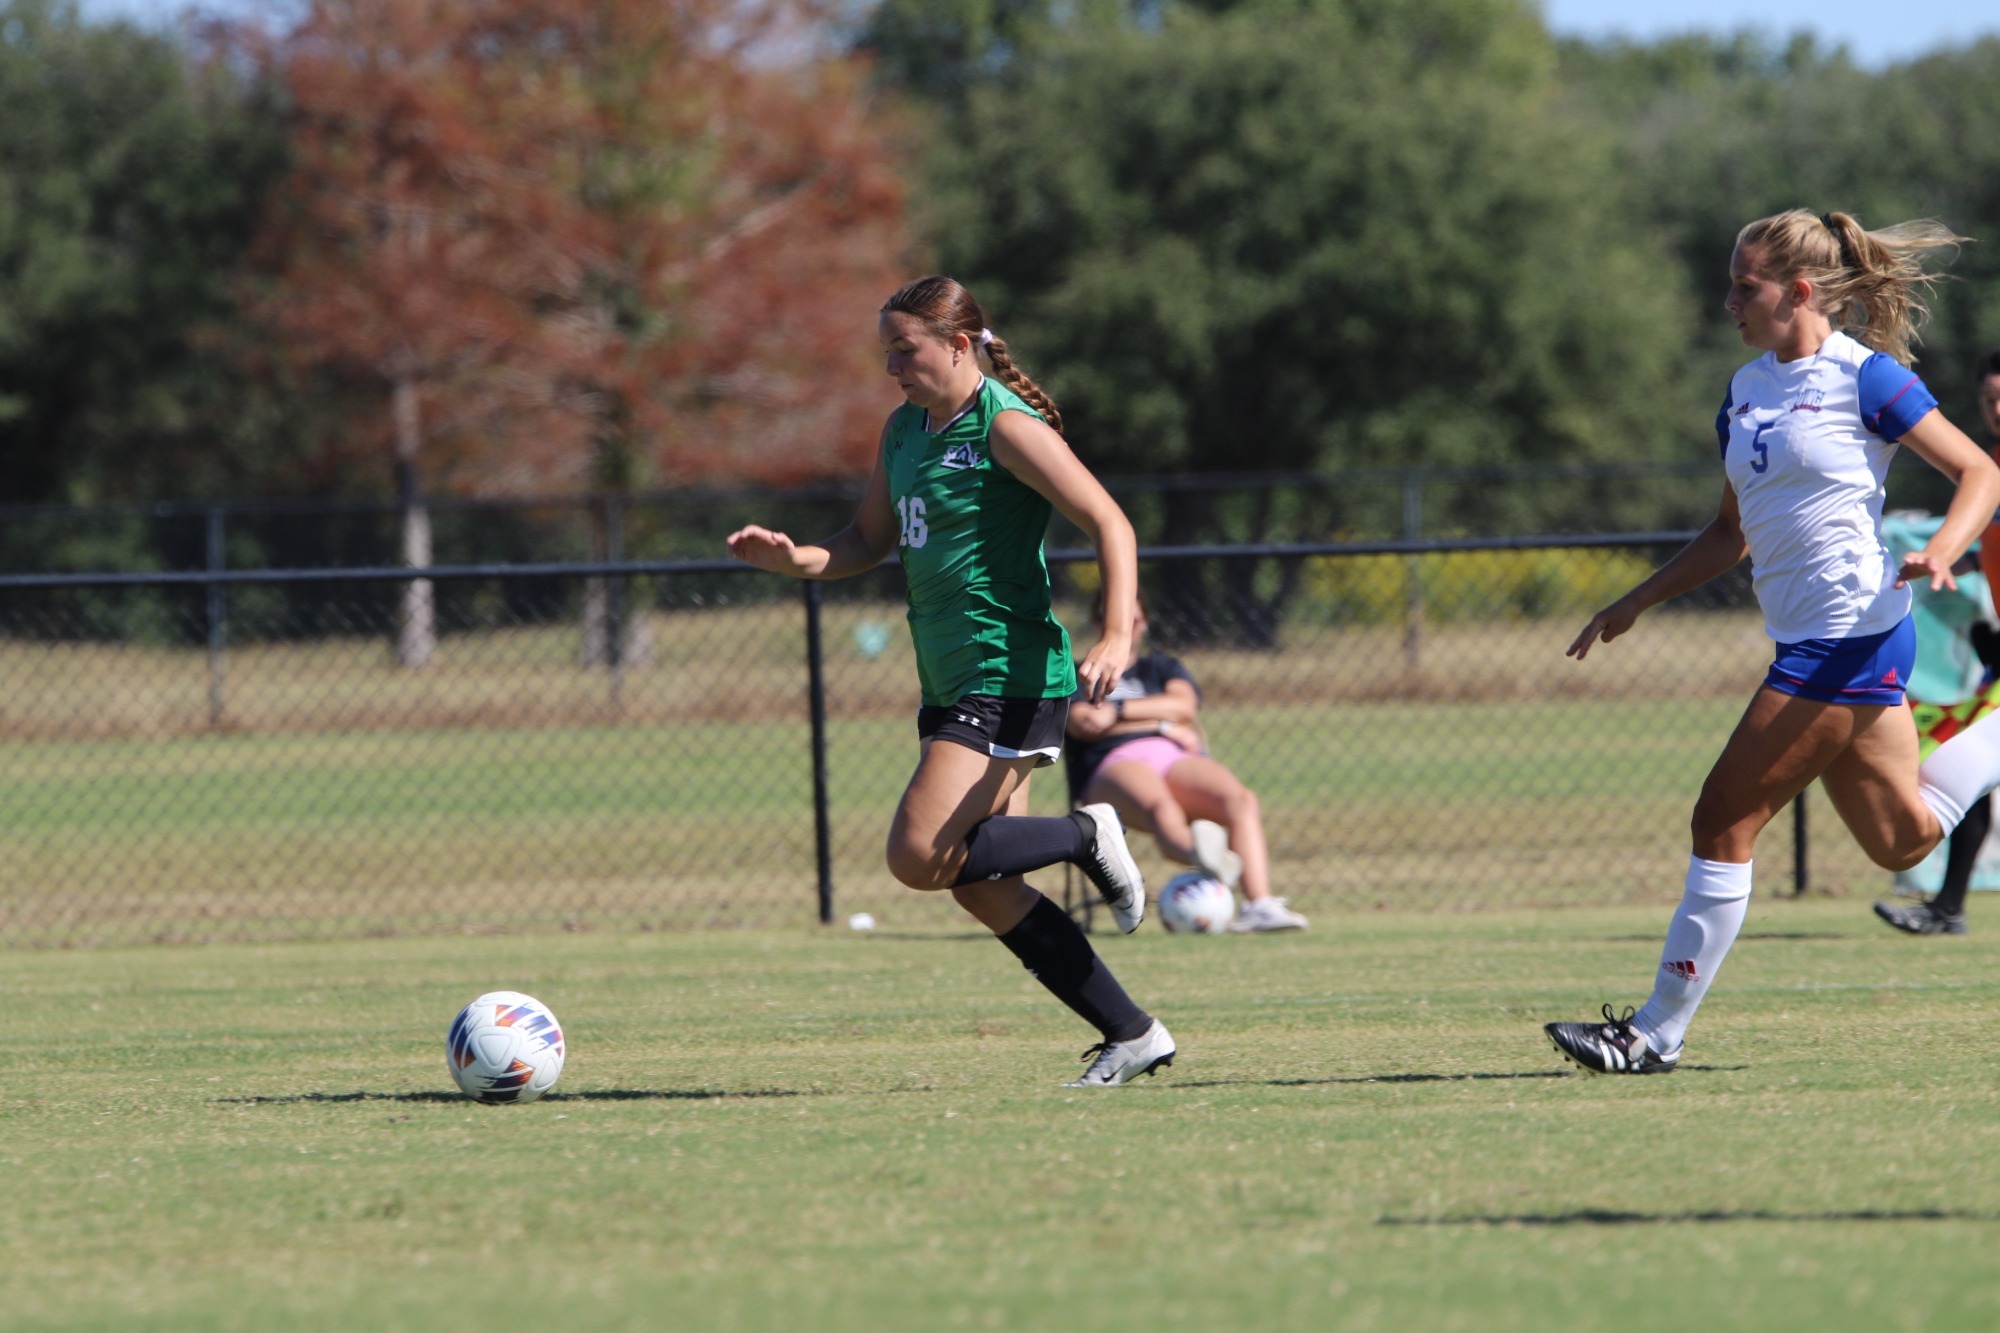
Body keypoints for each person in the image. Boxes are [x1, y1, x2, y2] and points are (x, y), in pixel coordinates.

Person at [1545, 209, 2000, 1075]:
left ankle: (1653, 1033)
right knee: (1901, 841)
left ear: (1796, 291)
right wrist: (1636, 598)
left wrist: (1944, 547)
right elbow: (1730, 533)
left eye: (1742, 286)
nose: (1728, 302)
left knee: (1722, 817)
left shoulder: (1866, 377)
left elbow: (1979, 470)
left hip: (1847, 637)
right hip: (1821, 639)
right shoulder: (1745, 389)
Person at [726, 275, 1175, 1088]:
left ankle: (1085, 834)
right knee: (984, 887)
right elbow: (866, 539)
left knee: (917, 853)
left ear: (959, 345)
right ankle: (1132, 1032)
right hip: (950, 677)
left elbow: (1111, 521)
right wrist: (797, 561)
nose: (891, 367)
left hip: (1008, 672)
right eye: (887, 352)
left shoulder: (1005, 425)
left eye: (906, 350)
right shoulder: (904, 430)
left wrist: (1115, 632)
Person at [1064, 590, 1308, 932]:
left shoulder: (1161, 667)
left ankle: (1259, 906)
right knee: (1161, 806)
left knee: (1240, 800)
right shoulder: (1078, 673)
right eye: (1111, 617)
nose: (1123, 625)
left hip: (1171, 754)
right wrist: (1162, 721)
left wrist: (1118, 711)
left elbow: (1184, 706)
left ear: (1144, 623)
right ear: (1096, 622)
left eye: (1132, 619)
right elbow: (1085, 723)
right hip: (1111, 761)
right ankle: (1207, 858)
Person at [1876, 348, 2000, 935]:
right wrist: (1953, 560)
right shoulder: (1990, 464)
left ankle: (1947, 908)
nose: (1997, 409)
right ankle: (1948, 908)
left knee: (1960, 769)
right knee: (1963, 772)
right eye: (1989, 399)